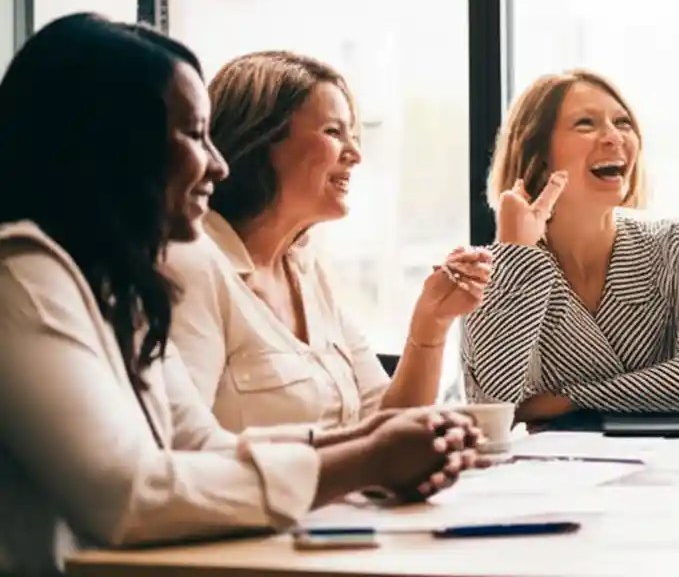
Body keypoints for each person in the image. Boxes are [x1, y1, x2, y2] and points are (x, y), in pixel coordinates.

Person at [0, 14, 482, 575]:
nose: (217, 163)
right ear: (111, 142)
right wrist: (365, 459)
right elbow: (128, 496)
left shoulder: (115, 292)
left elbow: (198, 445)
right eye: (192, 135)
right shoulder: (22, 276)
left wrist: (368, 439)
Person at [163, 51, 492, 433]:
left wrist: (431, 323)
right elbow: (184, 452)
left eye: (352, 134)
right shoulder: (193, 265)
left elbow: (387, 428)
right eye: (334, 133)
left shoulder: (306, 267)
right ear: (260, 140)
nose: (355, 154)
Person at [462, 69, 679, 422]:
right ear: (539, 153)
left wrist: (565, 400)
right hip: (549, 470)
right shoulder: (496, 269)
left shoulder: (676, 246)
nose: (613, 138)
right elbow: (490, 409)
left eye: (623, 123)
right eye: (586, 124)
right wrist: (516, 256)